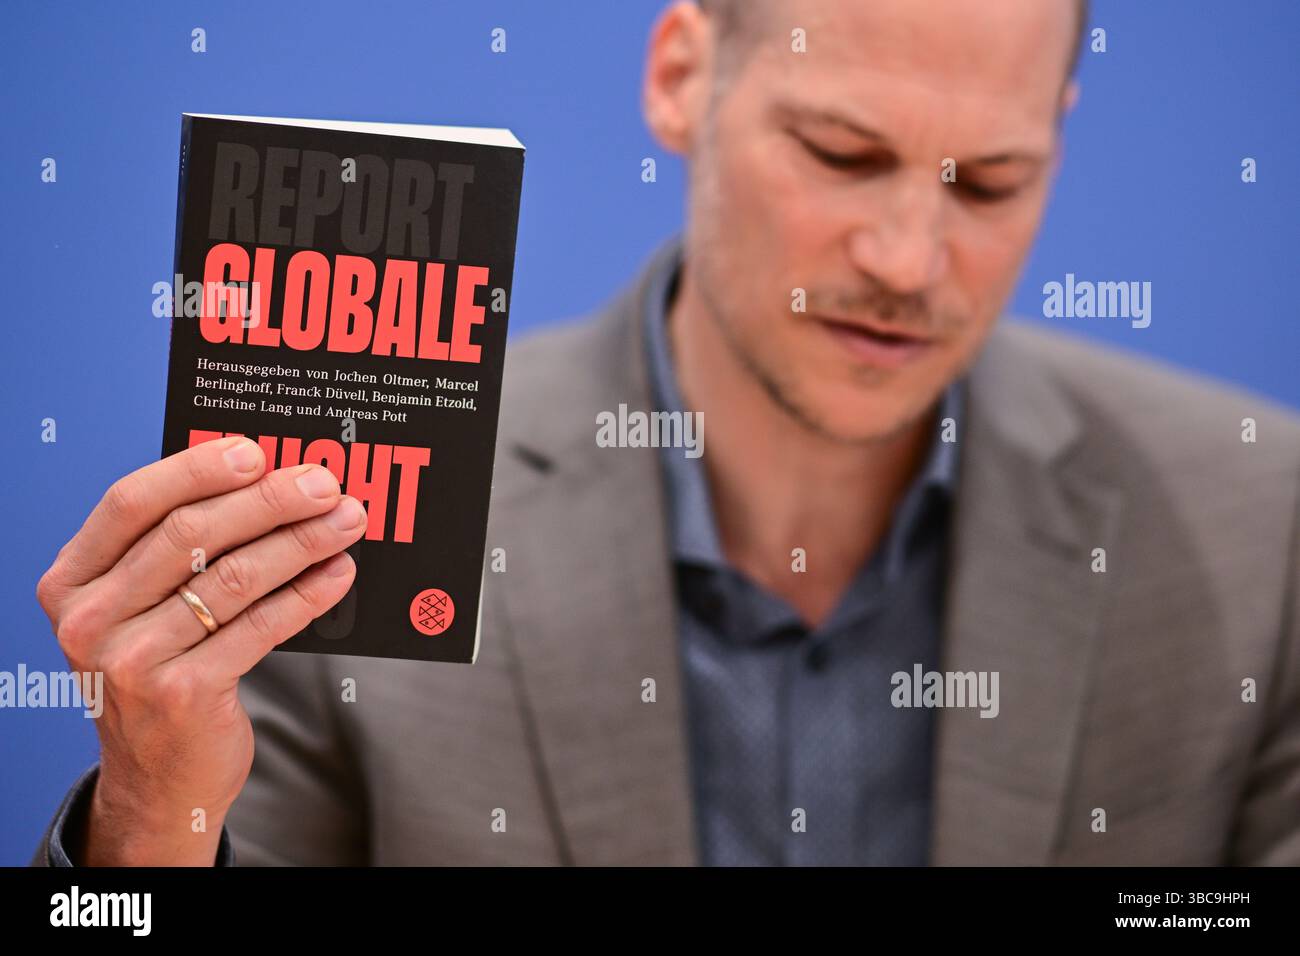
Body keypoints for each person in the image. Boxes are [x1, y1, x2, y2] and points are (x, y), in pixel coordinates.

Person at [32, 0, 1300, 866]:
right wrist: (151, 810)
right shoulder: (358, 513)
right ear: (682, 75)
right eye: (842, 153)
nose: (910, 260)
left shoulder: (1259, 524)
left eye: (993, 181)